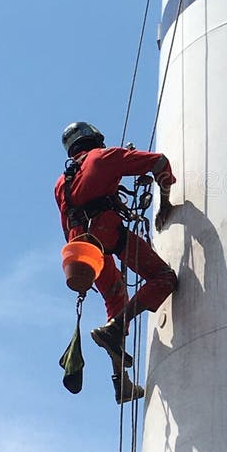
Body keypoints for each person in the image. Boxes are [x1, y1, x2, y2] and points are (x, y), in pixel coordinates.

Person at [55, 121, 178, 403]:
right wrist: (166, 202)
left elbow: (68, 220)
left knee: (116, 297)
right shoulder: (104, 156)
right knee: (163, 277)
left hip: (81, 249)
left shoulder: (62, 181)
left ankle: (121, 383)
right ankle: (114, 328)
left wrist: (84, 272)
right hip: (105, 232)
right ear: (94, 138)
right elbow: (159, 162)